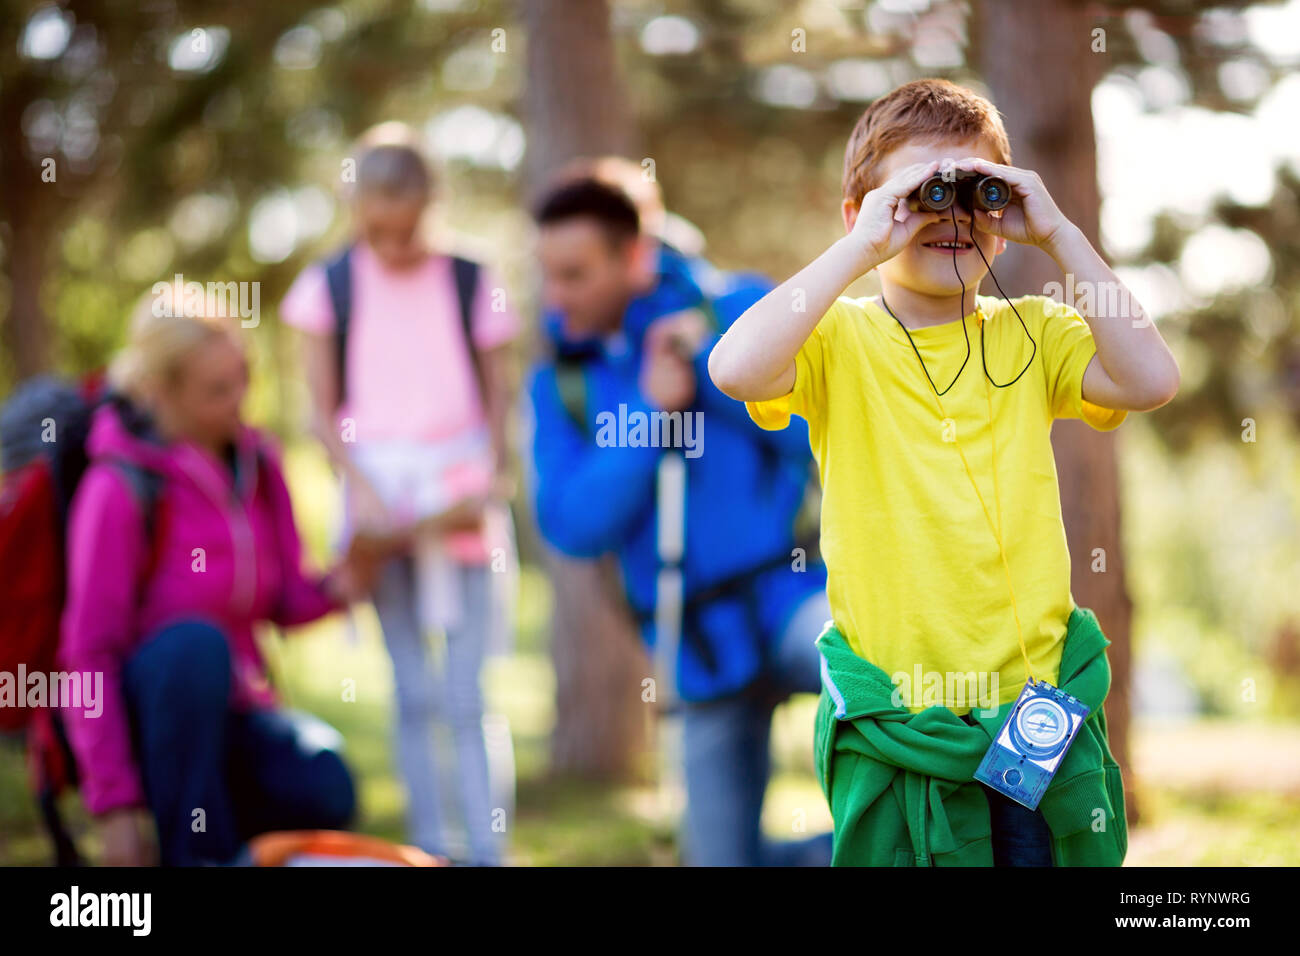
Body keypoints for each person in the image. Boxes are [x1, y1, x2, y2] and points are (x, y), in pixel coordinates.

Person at [709, 78, 1180, 866]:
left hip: (1030, 705)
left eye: (972, 193)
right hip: (897, 714)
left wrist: (1058, 232)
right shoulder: (837, 342)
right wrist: (862, 245)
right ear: (865, 212)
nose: (950, 215)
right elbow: (733, 368)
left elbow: (1150, 380)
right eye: (922, 195)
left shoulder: (1037, 333)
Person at [528, 171, 833, 866]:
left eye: (575, 274)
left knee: (877, 689)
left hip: (795, 596)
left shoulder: (741, 308)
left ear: (634, 257)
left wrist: (718, 369)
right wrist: (646, 413)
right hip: (693, 645)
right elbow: (573, 525)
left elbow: (819, 432)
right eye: (549, 274)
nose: (557, 297)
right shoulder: (561, 383)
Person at [280, 122, 519, 866]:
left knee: (467, 694)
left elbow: (502, 403)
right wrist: (364, 491)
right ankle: (431, 846)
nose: (392, 246)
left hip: (461, 501)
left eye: (405, 227)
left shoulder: (472, 278)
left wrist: (486, 483)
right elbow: (320, 412)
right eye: (376, 230)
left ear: (430, 204)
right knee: (413, 692)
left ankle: (488, 846)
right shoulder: (330, 286)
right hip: (379, 501)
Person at [60, 286, 360, 867]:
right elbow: (86, 655)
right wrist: (114, 806)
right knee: (196, 645)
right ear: (162, 392)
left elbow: (286, 598)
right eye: (217, 391)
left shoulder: (257, 464)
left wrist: (347, 580)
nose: (239, 401)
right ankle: (193, 853)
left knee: (326, 783)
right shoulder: (119, 488)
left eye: (243, 378)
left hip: (236, 715)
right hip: (153, 723)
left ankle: (229, 842)